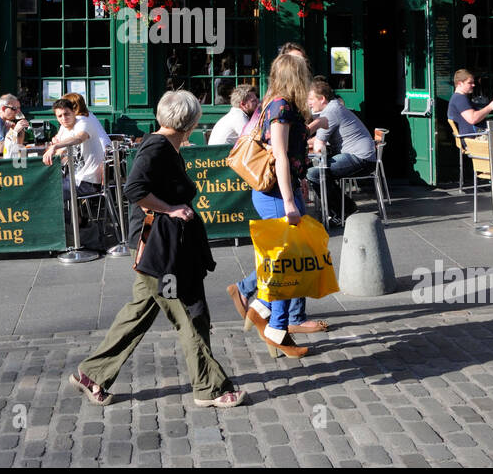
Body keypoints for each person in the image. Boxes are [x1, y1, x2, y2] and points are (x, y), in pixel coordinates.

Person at [68, 91, 244, 408]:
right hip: (161, 251)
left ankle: (91, 374)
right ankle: (210, 387)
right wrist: (170, 209)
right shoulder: (156, 147)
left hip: (167, 248)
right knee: (189, 313)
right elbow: (134, 189)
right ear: (191, 122)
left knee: (140, 313)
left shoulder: (167, 147)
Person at [231, 52, 327, 355]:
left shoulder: (278, 104)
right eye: (304, 73)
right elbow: (280, 156)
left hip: (279, 191)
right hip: (275, 193)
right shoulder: (281, 107)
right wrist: (289, 202)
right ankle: (277, 327)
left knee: (285, 261)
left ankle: (261, 309)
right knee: (286, 264)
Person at [305, 78, 376, 222]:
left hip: (360, 158)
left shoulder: (330, 112)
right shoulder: (333, 107)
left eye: (311, 99)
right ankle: (346, 208)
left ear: (322, 98)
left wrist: (301, 144)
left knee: (314, 174)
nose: (309, 103)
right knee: (320, 173)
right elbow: (318, 141)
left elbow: (318, 145)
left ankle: (341, 213)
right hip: (361, 156)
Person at [43, 97, 106, 243]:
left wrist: (55, 147)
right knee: (44, 190)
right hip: (74, 178)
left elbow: (79, 138)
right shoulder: (64, 127)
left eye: (67, 114)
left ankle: (78, 229)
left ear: (73, 112)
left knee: (48, 196)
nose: (64, 118)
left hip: (88, 181)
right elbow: (60, 154)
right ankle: (77, 224)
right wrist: (55, 148)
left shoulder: (84, 122)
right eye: (60, 116)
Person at [448, 69, 493, 137]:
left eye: (473, 82)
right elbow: (473, 119)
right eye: (470, 83)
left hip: (479, 135)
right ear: (460, 83)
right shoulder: (459, 98)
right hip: (474, 139)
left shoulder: (459, 98)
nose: (473, 85)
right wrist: (490, 107)